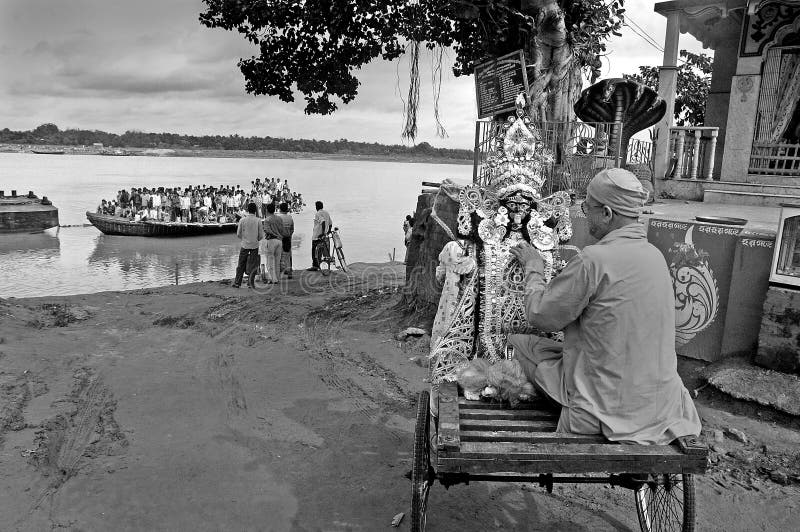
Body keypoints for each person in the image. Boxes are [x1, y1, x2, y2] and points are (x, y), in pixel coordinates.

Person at [508, 168, 701, 445]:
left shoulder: (593, 260)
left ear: (608, 214)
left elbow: (541, 316)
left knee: (521, 344)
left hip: (602, 406)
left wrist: (534, 269)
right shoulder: (656, 257)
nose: (585, 214)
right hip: (660, 404)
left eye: (587, 208)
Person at [233, 202, 264, 289]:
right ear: (255, 211)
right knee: (253, 264)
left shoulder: (242, 220)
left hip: (245, 244)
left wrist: (244, 239)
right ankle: (250, 283)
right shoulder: (258, 221)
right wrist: (255, 240)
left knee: (241, 263)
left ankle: (237, 282)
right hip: (254, 244)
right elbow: (261, 235)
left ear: (247, 210)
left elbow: (238, 234)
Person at [259, 203, 285, 283]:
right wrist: (278, 235)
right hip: (279, 241)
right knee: (277, 261)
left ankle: (272, 279)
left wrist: (274, 234)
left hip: (271, 241)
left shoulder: (267, 219)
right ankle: (277, 278)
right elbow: (282, 230)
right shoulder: (279, 219)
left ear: (267, 210)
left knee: (270, 261)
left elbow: (267, 230)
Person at [308, 200, 332, 271]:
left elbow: (323, 222)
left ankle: (315, 266)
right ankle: (326, 266)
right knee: (323, 251)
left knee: (314, 250)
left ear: (316, 207)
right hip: (324, 236)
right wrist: (328, 231)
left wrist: (322, 233)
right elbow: (330, 223)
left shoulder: (318, 213)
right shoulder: (326, 213)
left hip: (317, 236)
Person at [278, 202, 295, 279]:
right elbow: (292, 229)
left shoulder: (278, 217)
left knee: (279, 256)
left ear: (280, 209)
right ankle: (289, 272)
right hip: (288, 238)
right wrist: (289, 235)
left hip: (280, 238)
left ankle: (280, 272)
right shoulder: (290, 217)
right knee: (288, 255)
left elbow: (276, 229)